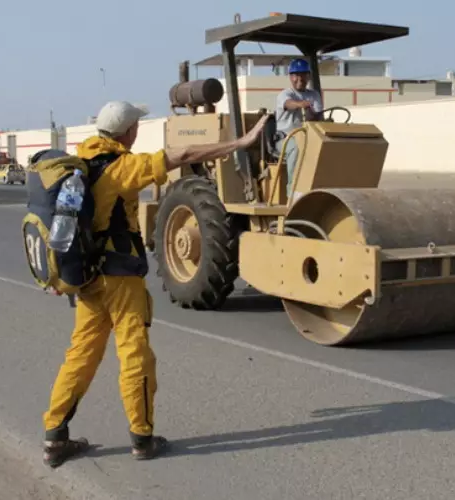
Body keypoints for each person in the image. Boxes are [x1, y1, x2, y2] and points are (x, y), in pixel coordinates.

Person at [41, 100, 269, 468]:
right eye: (135, 127)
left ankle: (54, 437)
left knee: (80, 355)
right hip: (120, 279)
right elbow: (185, 153)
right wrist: (239, 144)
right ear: (127, 131)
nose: (136, 133)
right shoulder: (124, 167)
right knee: (135, 355)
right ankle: (142, 438)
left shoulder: (81, 160)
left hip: (88, 279)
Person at [274, 58, 324, 193]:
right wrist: (300, 104)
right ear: (290, 77)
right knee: (296, 148)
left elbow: (318, 115)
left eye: (303, 74)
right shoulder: (285, 94)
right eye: (296, 75)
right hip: (285, 138)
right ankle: (293, 192)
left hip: (308, 136)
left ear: (308, 76)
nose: (299, 78)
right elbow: (288, 103)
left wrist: (313, 112)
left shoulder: (314, 94)